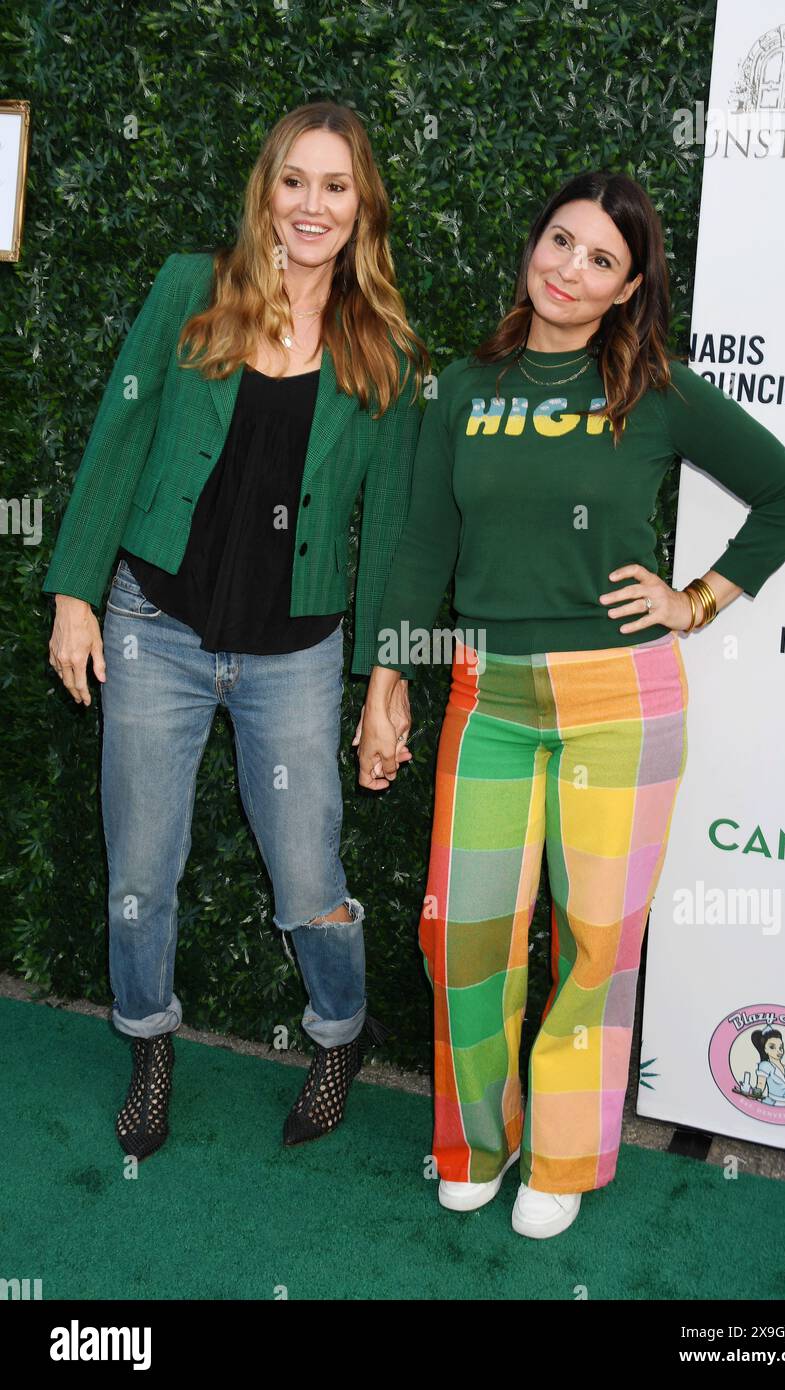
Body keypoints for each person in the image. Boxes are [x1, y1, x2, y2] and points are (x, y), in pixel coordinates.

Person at [356, 169, 785, 1240]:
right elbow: (425, 541)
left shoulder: (654, 391)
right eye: (559, 241)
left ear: (629, 289)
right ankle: (479, 1136)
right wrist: (388, 678)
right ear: (532, 247)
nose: (571, 267)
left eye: (601, 259)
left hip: (623, 701)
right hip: (490, 696)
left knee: (596, 945)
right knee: (462, 938)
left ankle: (562, 1154)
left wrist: (696, 597)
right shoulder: (463, 387)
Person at [41, 102, 426, 1161]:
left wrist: (388, 678)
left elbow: (392, 531)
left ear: (362, 208)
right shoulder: (188, 290)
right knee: (140, 869)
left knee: (308, 875)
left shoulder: (382, 343)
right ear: (267, 190)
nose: (311, 205)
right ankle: (150, 1044)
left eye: (335, 187)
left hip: (293, 651)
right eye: (294, 181)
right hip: (150, 626)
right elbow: (119, 434)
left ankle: (340, 1035)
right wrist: (75, 593)